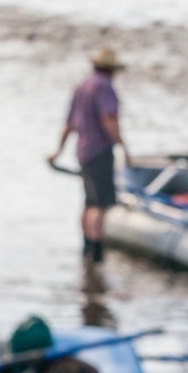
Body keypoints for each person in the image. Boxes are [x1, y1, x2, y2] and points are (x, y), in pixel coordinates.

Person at [49, 47, 132, 264]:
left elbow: (69, 122)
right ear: (111, 69)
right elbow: (108, 120)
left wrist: (58, 150)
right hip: (99, 151)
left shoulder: (82, 86)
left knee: (88, 202)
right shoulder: (104, 87)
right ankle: (96, 252)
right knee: (100, 204)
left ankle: (86, 248)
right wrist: (123, 147)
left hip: (82, 151)